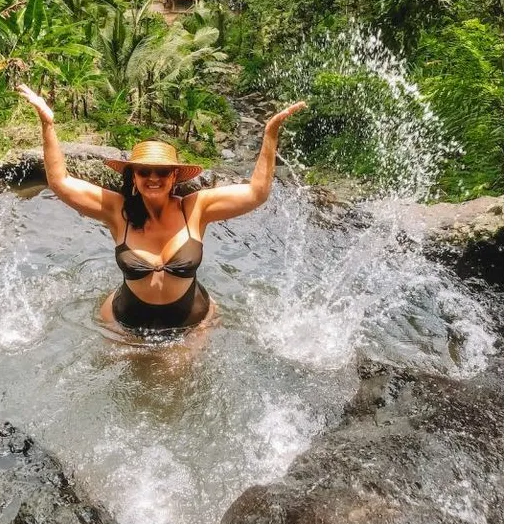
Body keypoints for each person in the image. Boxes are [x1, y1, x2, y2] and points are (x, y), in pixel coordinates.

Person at [17, 84, 306, 339]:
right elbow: (61, 182)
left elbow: (256, 193)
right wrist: (48, 124)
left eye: (162, 172)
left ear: (174, 177)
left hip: (191, 321)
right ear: (134, 177)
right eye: (144, 172)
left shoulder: (196, 208)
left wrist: (269, 134)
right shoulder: (118, 211)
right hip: (124, 320)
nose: (153, 177)